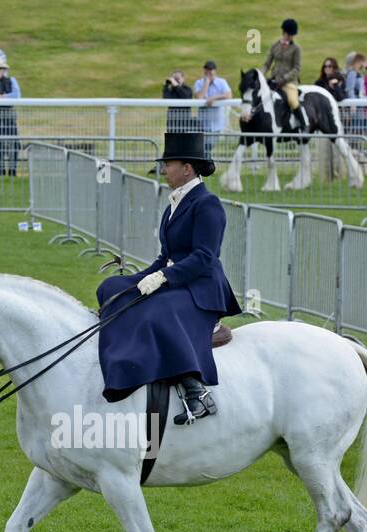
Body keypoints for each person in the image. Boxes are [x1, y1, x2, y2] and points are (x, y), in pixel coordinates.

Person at [95, 132, 241, 425]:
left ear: (187, 168)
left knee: (156, 312)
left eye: (168, 164)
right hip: (177, 279)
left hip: (201, 287)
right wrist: (140, 278)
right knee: (112, 288)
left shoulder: (207, 204)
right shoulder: (174, 202)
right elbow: (165, 255)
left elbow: (203, 257)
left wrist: (164, 277)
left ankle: (195, 391)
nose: (163, 170)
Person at [264, 18, 305, 131]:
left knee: (292, 100)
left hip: (289, 82)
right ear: (284, 32)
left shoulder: (296, 49)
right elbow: (267, 64)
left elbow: (297, 68)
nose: (291, 37)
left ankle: (303, 123)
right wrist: (261, 75)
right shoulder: (275, 46)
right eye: (289, 34)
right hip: (274, 79)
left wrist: (285, 78)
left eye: (292, 35)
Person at [193, 60, 233, 158]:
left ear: (215, 71)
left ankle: (205, 163)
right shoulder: (199, 83)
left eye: (211, 70)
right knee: (203, 146)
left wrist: (214, 98)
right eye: (207, 70)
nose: (209, 72)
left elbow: (228, 95)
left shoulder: (221, 82)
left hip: (216, 122)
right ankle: (205, 164)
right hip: (202, 122)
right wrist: (206, 83)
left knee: (208, 146)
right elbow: (199, 97)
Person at [161, 69, 194, 133]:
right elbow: (165, 99)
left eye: (178, 78)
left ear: (183, 79)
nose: (175, 81)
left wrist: (176, 86)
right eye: (174, 79)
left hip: (185, 122)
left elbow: (186, 97)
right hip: (172, 122)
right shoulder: (171, 91)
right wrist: (165, 86)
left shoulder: (187, 89)